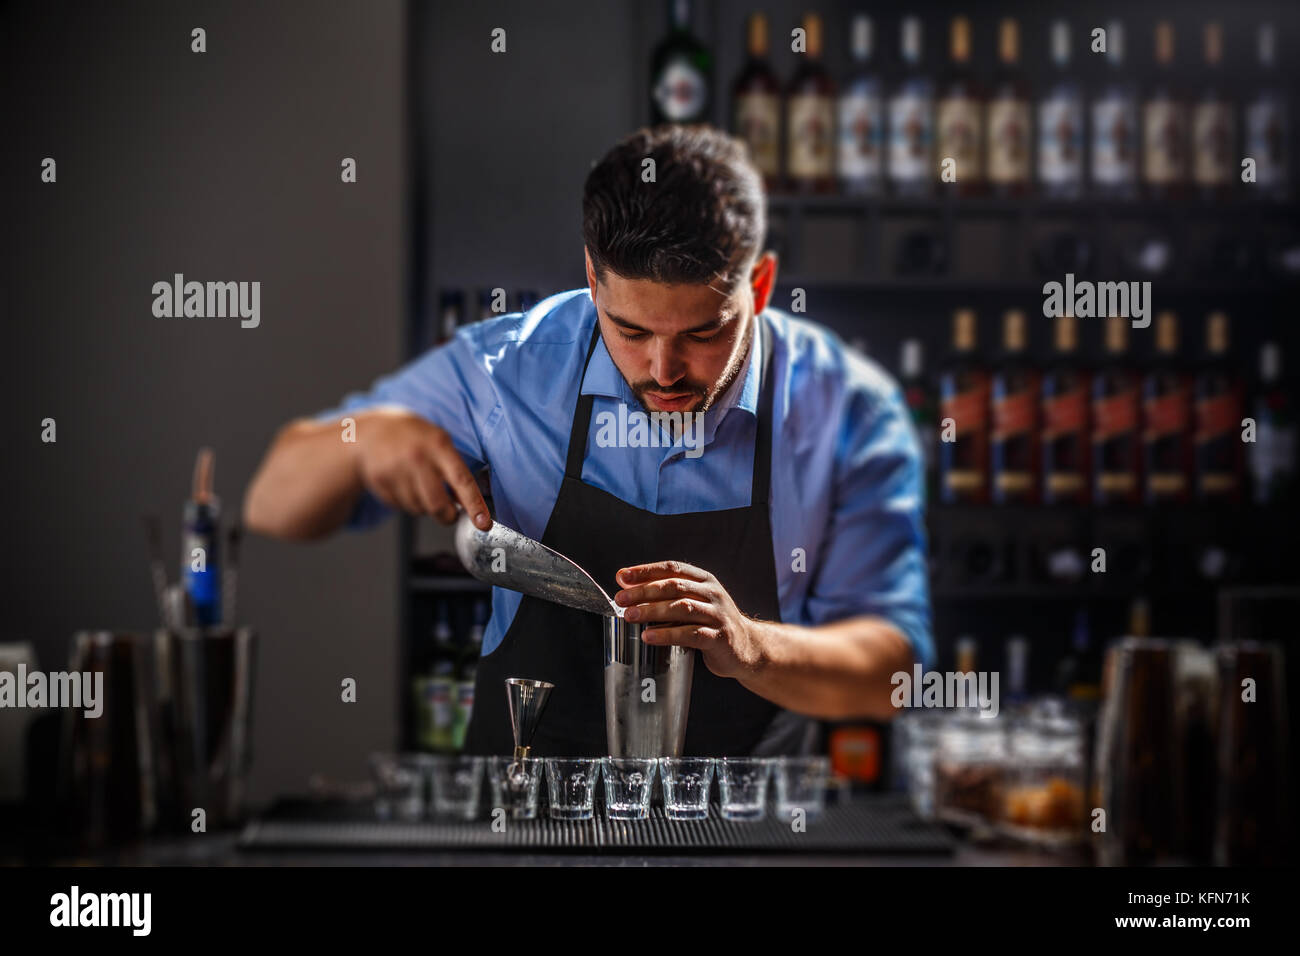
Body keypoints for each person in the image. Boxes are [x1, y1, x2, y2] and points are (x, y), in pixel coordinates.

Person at [244, 125, 932, 757]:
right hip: (521, 825)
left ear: (759, 284)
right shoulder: (507, 370)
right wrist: (361, 439)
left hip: (741, 832)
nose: (662, 372)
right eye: (630, 331)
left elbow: (892, 674)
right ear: (591, 276)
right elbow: (273, 503)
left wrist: (749, 646)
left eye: (701, 333)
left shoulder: (847, 411)